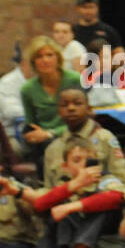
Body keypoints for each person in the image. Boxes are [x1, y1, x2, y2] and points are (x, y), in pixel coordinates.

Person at [27, 136, 125, 248]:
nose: (83, 165)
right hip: (69, 238)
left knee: (103, 208)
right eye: (76, 160)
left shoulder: (106, 179)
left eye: (88, 159)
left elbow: (116, 198)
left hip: (104, 238)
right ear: (66, 166)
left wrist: (72, 206)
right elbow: (40, 204)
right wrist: (75, 185)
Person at [42, 87, 125, 189]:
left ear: (89, 109)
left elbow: (123, 179)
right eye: (64, 105)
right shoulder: (53, 149)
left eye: (77, 103)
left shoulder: (104, 138)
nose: (71, 108)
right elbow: (49, 189)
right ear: (58, 111)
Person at [19, 36, 82, 173]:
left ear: (58, 58)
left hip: (74, 135)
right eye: (39, 57)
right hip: (43, 143)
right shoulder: (27, 90)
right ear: (34, 62)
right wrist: (34, 135)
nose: (45, 60)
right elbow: (31, 124)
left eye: (49, 55)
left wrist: (50, 134)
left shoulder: (74, 80)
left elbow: (81, 119)